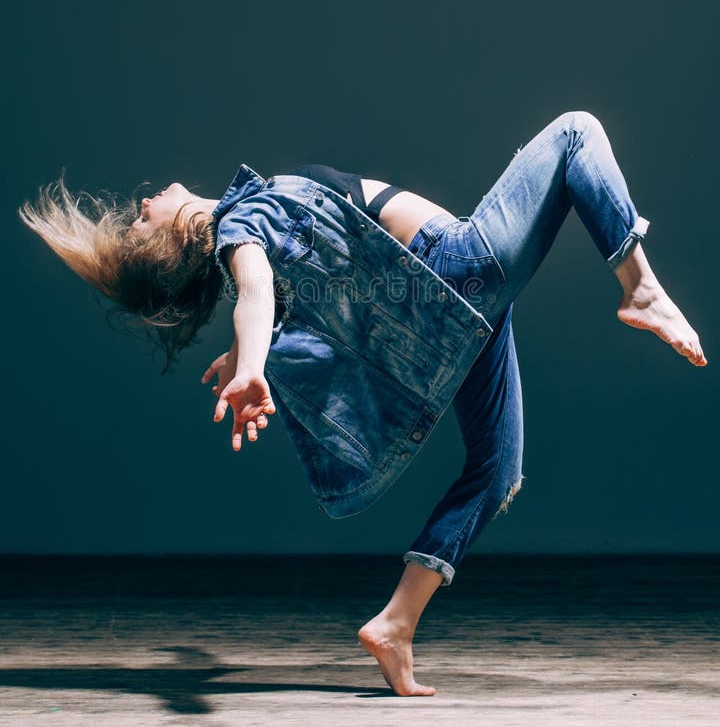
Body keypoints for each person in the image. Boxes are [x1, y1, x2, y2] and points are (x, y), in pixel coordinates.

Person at [19, 110, 707, 696]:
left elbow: (287, 291)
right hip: (456, 269)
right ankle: (640, 287)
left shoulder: (254, 222)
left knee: (496, 472)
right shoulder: (239, 223)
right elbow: (254, 292)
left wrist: (243, 351)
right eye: (140, 221)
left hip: (459, 314)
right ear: (172, 241)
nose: (144, 202)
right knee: (577, 131)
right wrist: (251, 362)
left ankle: (395, 625)